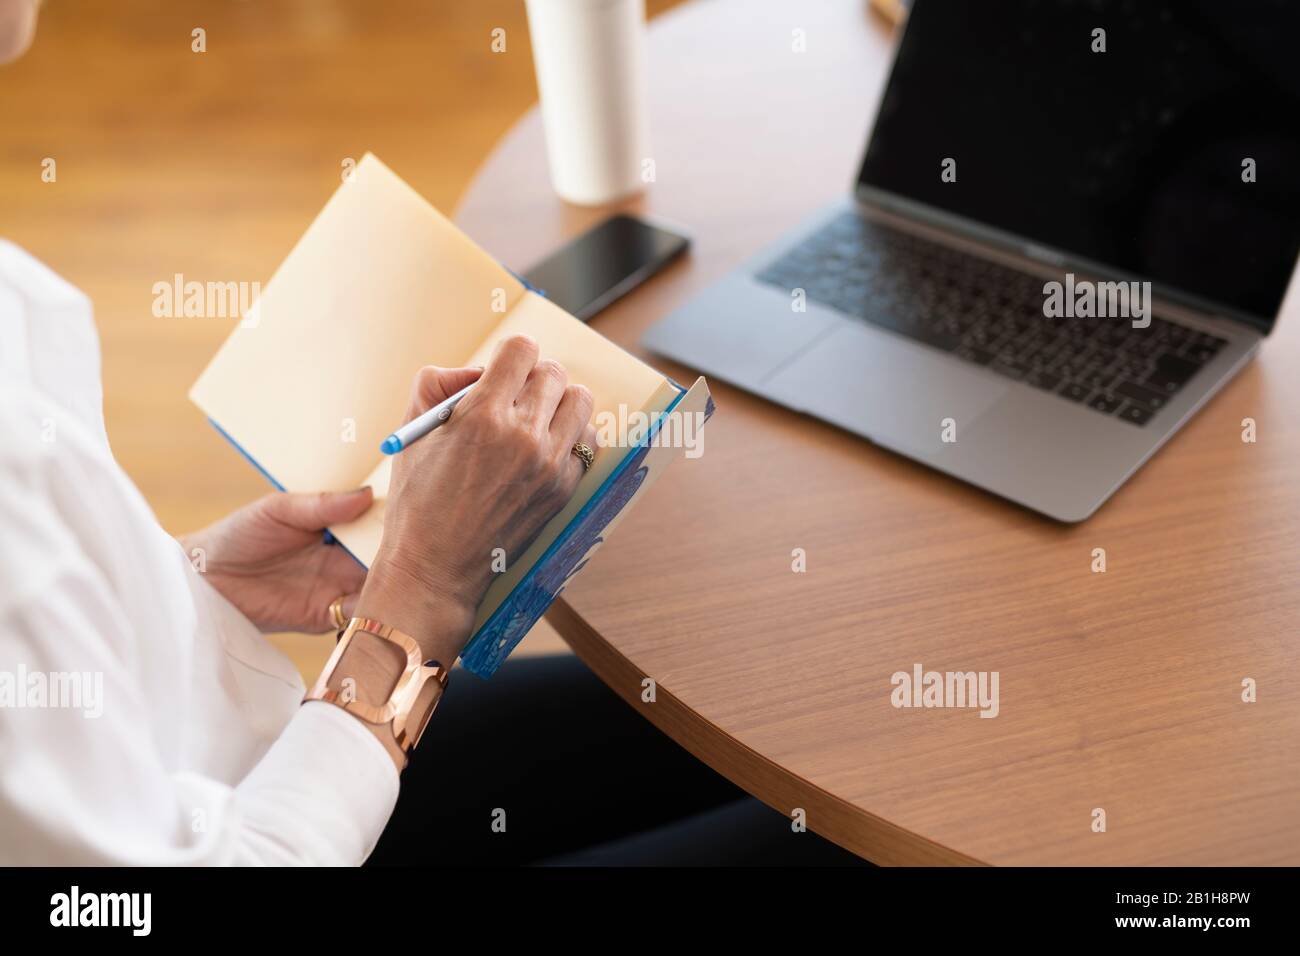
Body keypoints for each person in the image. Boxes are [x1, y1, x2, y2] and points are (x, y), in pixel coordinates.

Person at [0, 1, 864, 865]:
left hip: (241, 775)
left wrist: (194, 580)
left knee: (772, 715)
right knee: (848, 838)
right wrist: (419, 591)